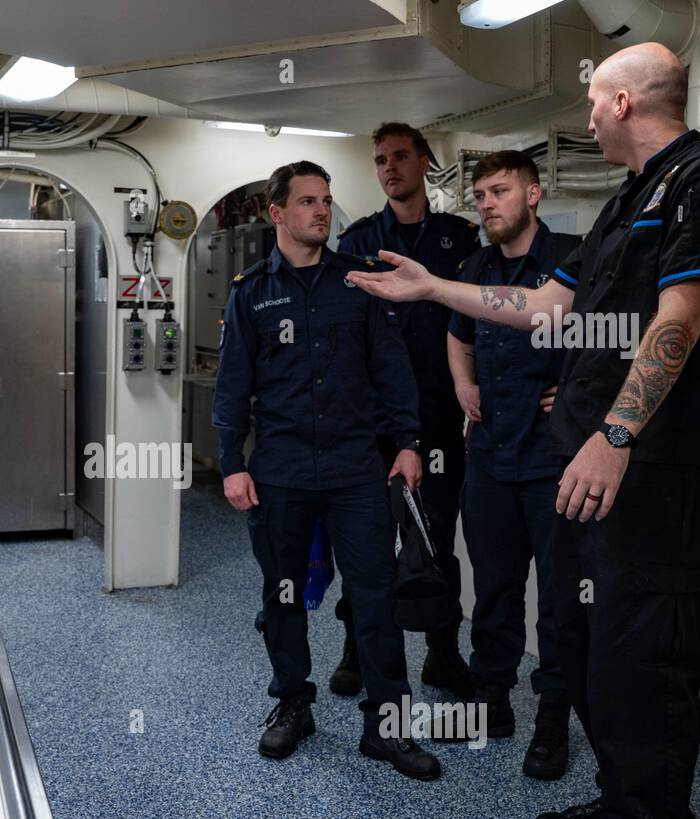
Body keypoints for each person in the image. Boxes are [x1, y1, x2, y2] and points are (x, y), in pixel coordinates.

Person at [345, 43, 700, 819]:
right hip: (606, 480)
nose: (585, 118)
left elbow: (682, 319)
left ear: (622, 103)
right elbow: (541, 306)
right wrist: (433, 289)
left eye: (592, 101)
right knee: (607, 664)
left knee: (648, 672)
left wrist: (615, 435)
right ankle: (621, 811)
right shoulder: (628, 199)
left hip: (658, 473)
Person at [213, 160, 440, 780]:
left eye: (326, 200)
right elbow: (232, 386)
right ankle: (293, 704)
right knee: (283, 597)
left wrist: (409, 442)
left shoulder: (359, 284)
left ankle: (386, 726)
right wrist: (231, 463)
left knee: (375, 597)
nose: (321, 211)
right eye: (308, 201)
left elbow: (393, 370)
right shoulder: (251, 291)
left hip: (356, 470)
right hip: (281, 471)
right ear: (277, 213)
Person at [331, 123, 480, 700]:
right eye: (379, 160)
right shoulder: (360, 240)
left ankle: (443, 652)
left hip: (440, 417)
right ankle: (357, 649)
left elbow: (478, 322)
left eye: (399, 157)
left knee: (437, 536)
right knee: (366, 542)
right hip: (376, 424)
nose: (389, 168)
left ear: (425, 163)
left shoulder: (460, 240)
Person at [445, 150, 580, 779]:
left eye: (499, 191)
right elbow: (457, 334)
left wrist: (577, 393)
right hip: (491, 458)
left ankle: (552, 718)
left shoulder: (573, 258)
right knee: (494, 588)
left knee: (559, 598)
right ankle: (491, 700)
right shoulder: (475, 268)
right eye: (479, 195)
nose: (487, 204)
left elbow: (620, 337)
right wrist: (462, 384)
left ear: (533, 193)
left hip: (554, 462)